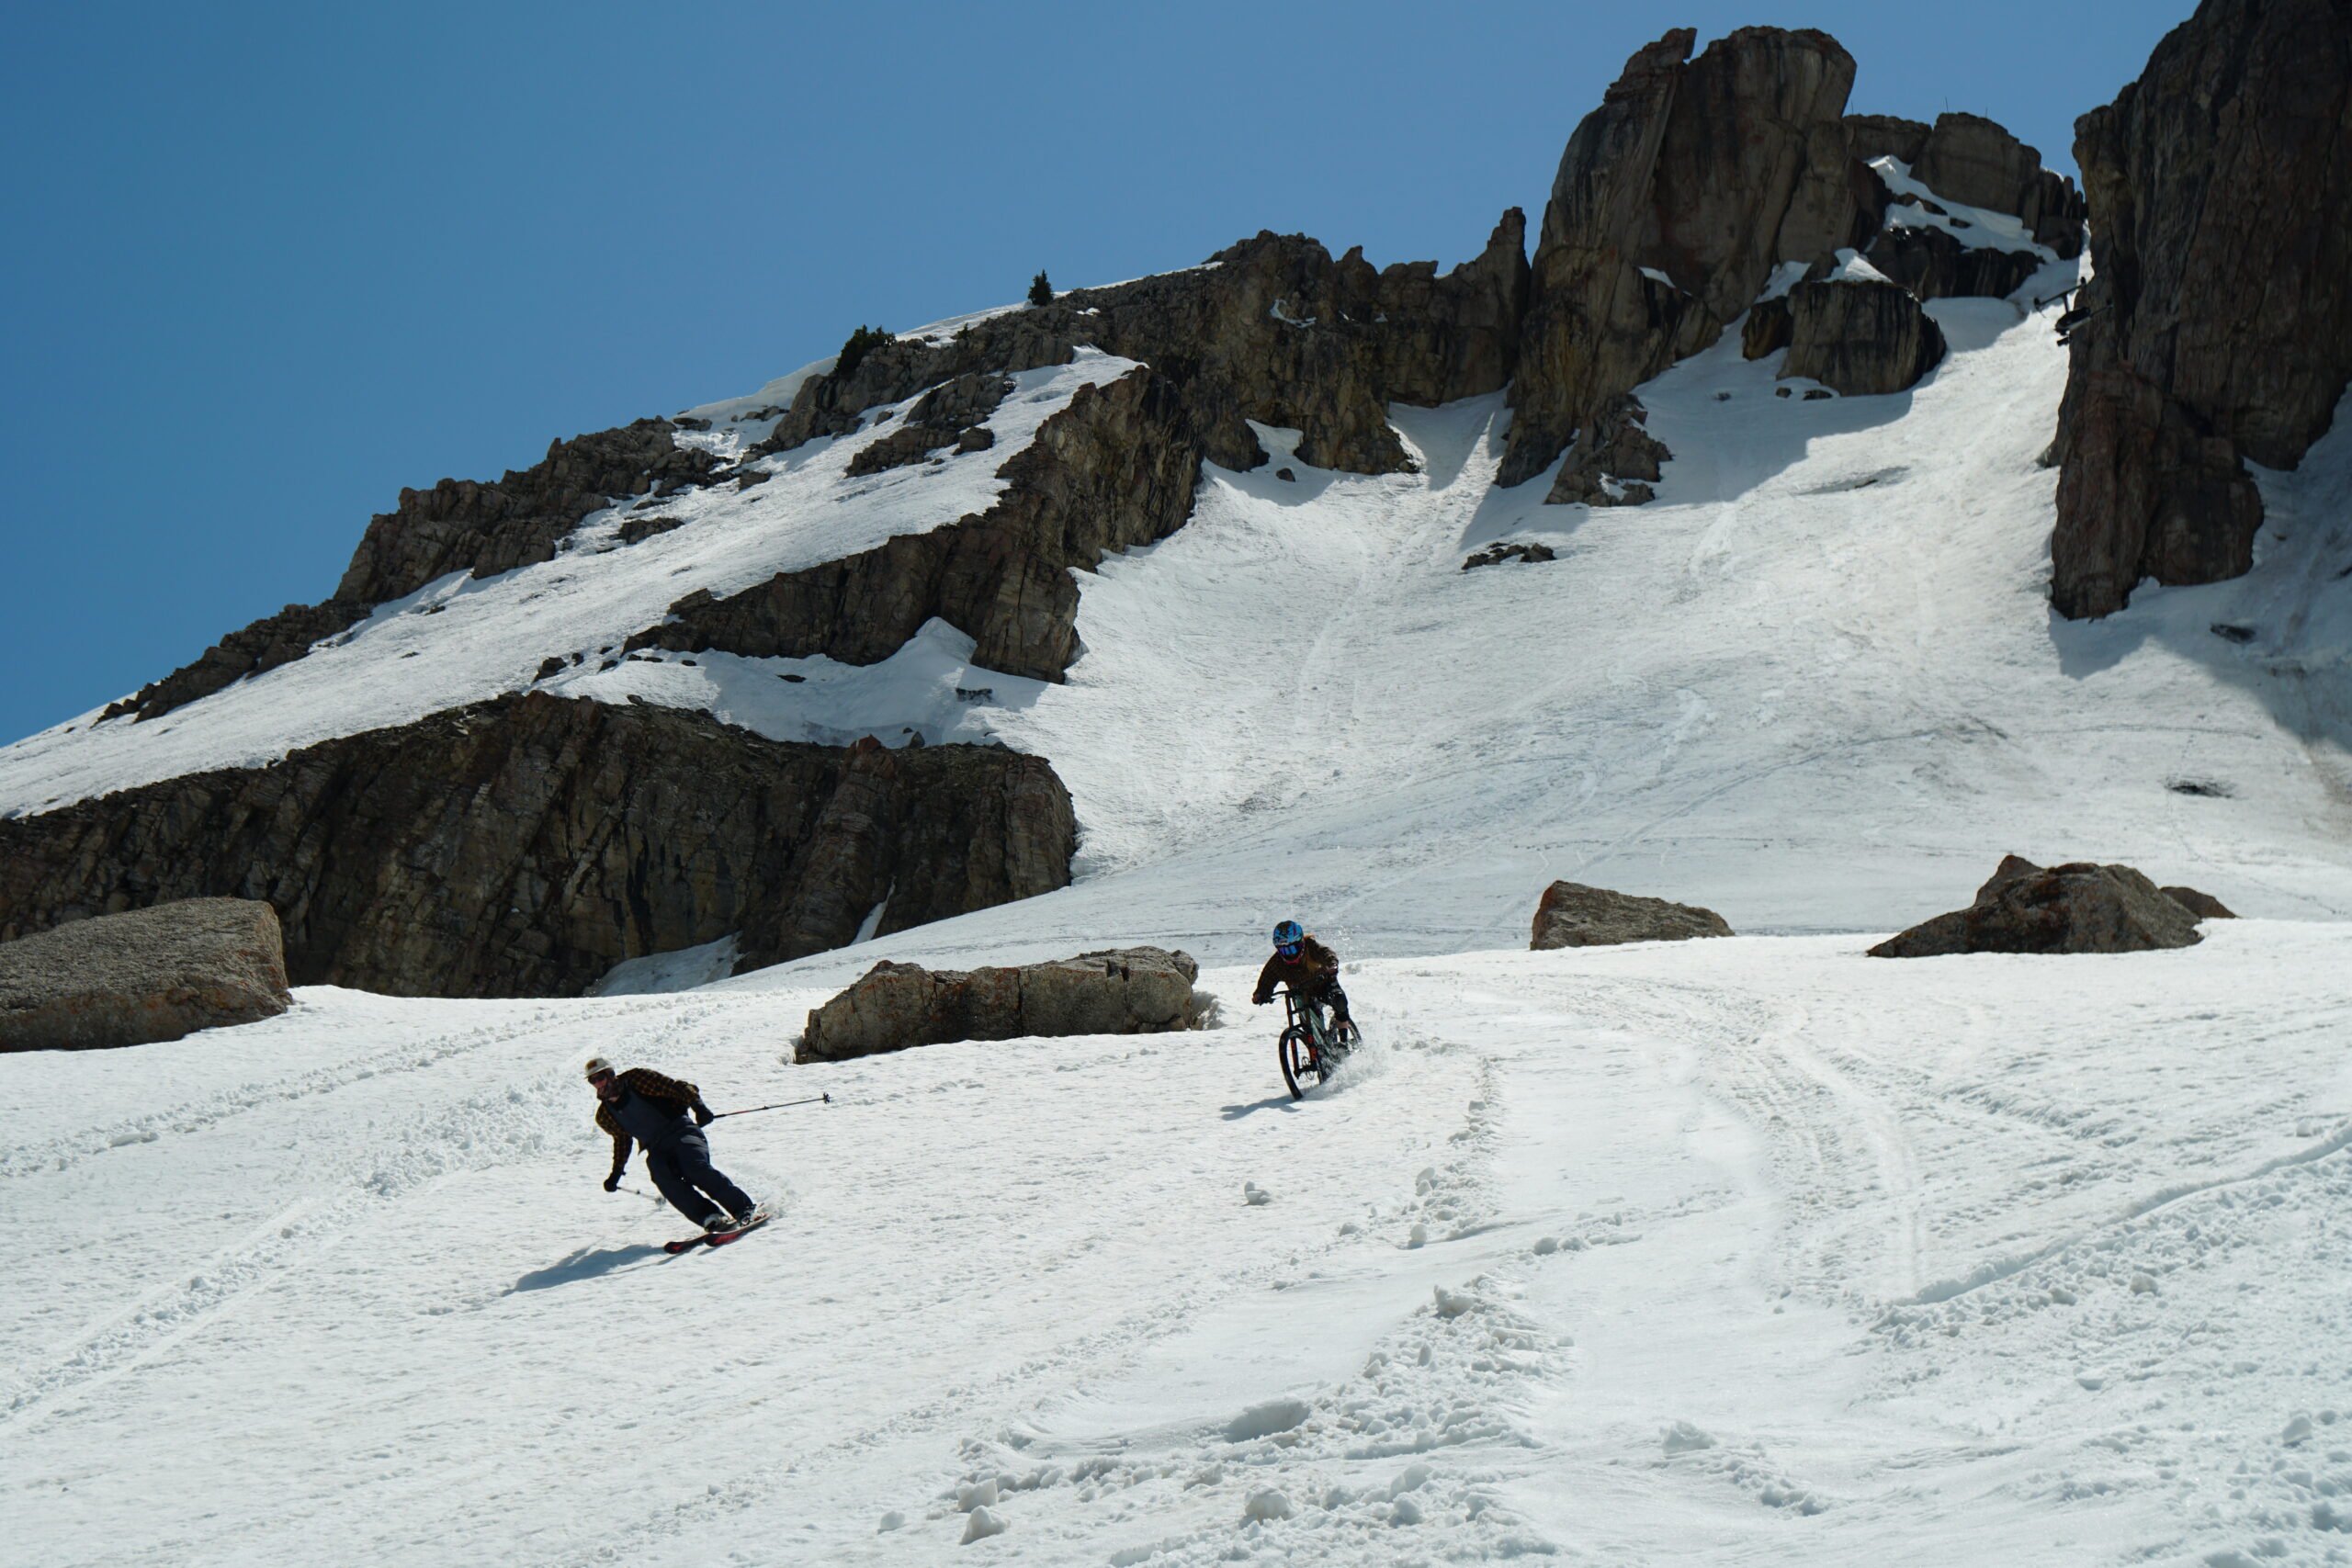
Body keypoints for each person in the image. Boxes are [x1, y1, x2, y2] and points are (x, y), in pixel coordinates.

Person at [585, 1056, 757, 1232]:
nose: (598, 1084)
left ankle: (742, 1207)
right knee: (660, 1174)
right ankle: (709, 1216)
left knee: (694, 1168)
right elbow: (622, 1141)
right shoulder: (605, 1115)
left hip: (682, 1132)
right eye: (593, 1081)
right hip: (657, 1147)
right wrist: (616, 1173)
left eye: (601, 1078)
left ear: (611, 1074)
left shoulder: (636, 1080)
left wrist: (699, 1107)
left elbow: (679, 1088)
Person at [1250, 919, 1354, 1036]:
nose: (1289, 954)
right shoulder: (1278, 961)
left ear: (1301, 943)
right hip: (1303, 994)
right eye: (1284, 950)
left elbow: (1326, 953)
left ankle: (1343, 1042)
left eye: (1292, 949)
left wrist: (1332, 965)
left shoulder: (1311, 946)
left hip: (1323, 985)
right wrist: (1260, 993)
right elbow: (1268, 978)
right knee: (1310, 1029)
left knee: (1339, 1001)